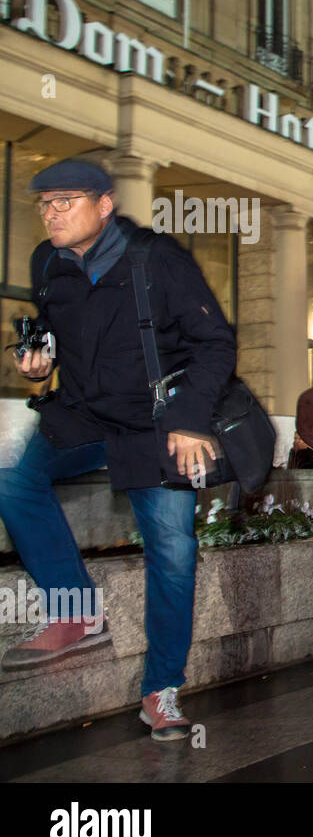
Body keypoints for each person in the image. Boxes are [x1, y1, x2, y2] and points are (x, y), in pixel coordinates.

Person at [0, 159, 236, 741]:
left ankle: (161, 690)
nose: (52, 213)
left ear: (104, 205)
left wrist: (187, 420)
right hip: (84, 413)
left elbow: (215, 343)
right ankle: (76, 608)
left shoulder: (157, 258)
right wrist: (39, 363)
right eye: (45, 204)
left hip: (157, 421)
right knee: (11, 479)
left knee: (174, 550)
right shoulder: (47, 263)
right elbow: (58, 340)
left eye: (66, 201)